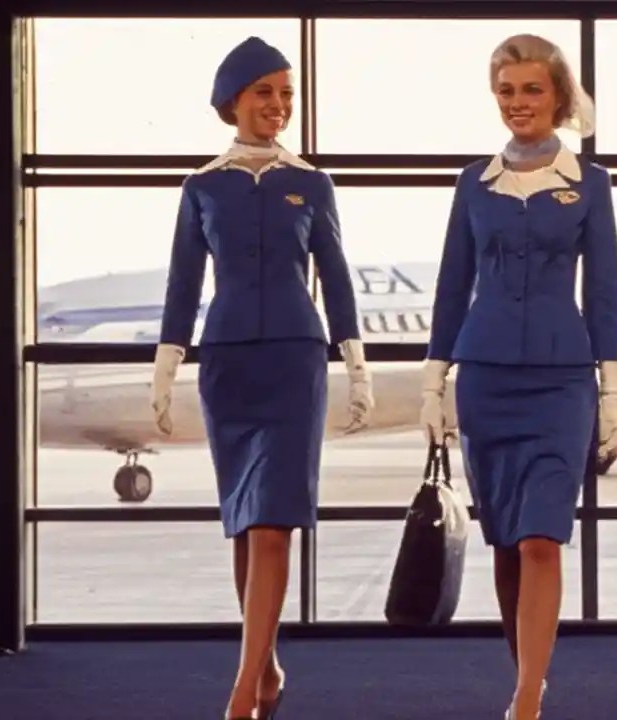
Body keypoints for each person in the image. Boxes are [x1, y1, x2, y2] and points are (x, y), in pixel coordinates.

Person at [150, 36, 374, 720]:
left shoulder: (311, 183)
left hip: (293, 362)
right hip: (227, 364)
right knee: (246, 524)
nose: (278, 106)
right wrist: (166, 368)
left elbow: (335, 278)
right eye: (264, 93)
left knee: (275, 522)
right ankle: (266, 663)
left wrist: (357, 365)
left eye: (286, 93)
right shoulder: (203, 186)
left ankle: (244, 691)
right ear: (233, 104)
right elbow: (184, 284)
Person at [418, 33, 617, 720]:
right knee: (507, 540)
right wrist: (433, 384)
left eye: (532, 90)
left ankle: (528, 701)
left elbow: (604, 294)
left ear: (558, 97)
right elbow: (453, 289)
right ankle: (526, 677)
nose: (518, 104)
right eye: (506, 91)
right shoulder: (473, 185)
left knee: (543, 536)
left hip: (562, 382)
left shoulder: (589, 185)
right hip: (485, 379)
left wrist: (611, 395)